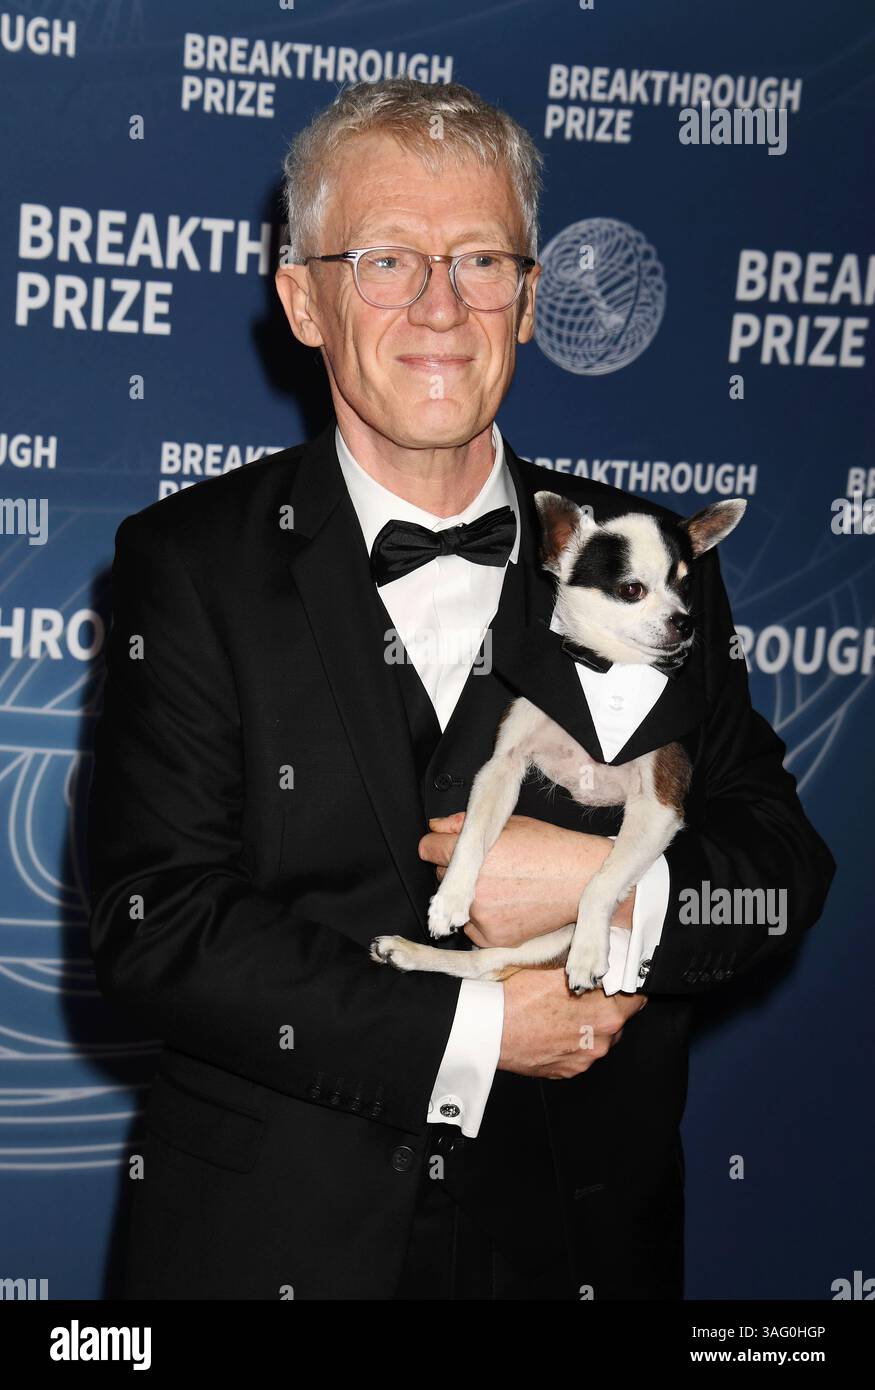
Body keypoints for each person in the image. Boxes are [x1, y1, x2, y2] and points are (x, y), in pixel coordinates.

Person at [87, 77, 835, 1301]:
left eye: (481, 260)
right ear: (302, 300)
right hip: (267, 1251)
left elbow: (780, 874)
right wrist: (475, 1033)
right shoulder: (185, 564)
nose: (440, 305)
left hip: (578, 1250)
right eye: (386, 260)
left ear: (531, 300)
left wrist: (621, 892)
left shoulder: (646, 556)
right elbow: (155, 922)